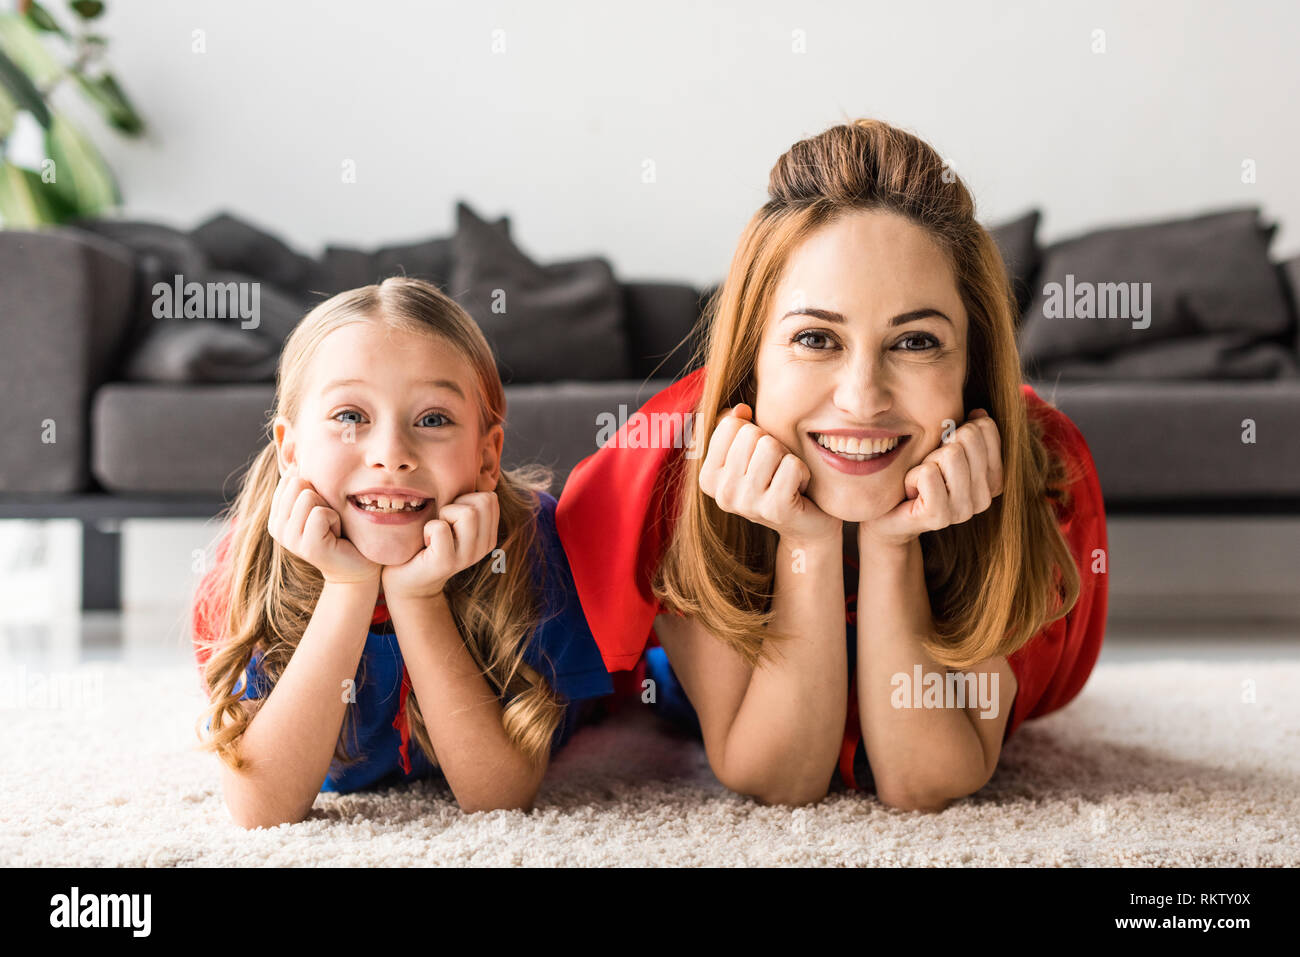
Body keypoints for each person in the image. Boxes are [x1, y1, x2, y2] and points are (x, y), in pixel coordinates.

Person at [556, 118, 1108, 812]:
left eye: (915, 341)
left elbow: (925, 779)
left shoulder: (1039, 468)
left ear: (973, 366)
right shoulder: (669, 468)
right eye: (816, 337)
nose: (862, 397)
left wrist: (892, 543)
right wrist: (807, 543)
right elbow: (778, 776)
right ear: (752, 357)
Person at [192, 277, 611, 827]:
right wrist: (348, 587)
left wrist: (418, 597)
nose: (391, 455)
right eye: (350, 417)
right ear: (290, 451)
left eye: (432, 419)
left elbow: (500, 798)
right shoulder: (248, 564)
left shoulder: (537, 544)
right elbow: (261, 811)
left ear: (488, 455)